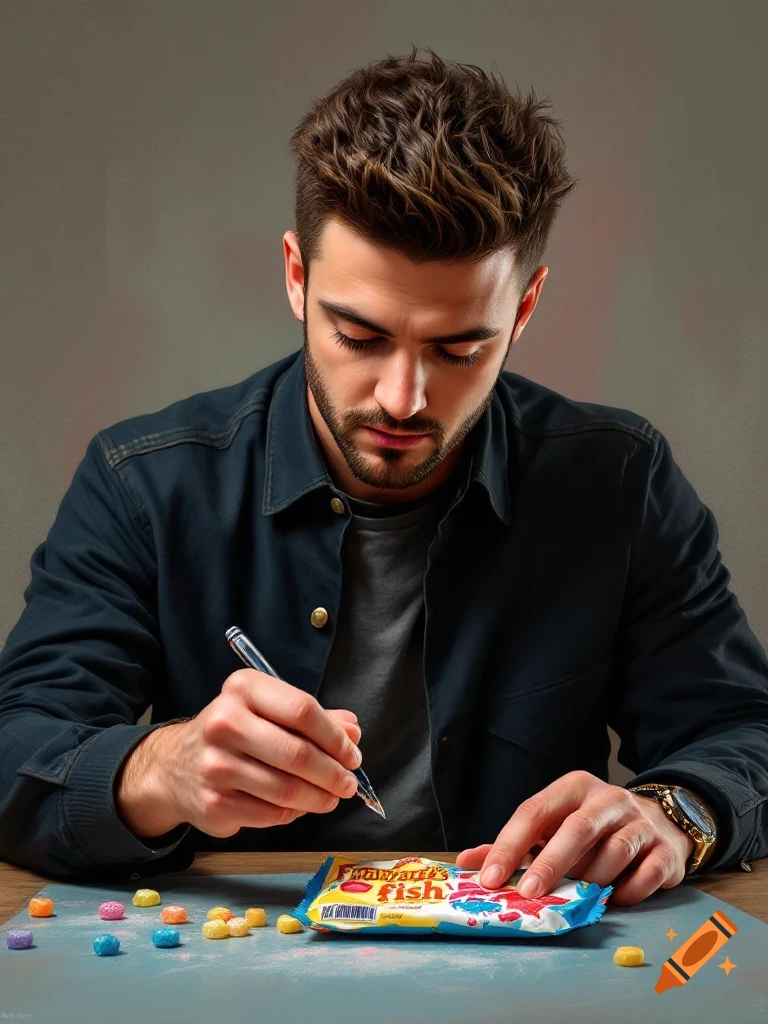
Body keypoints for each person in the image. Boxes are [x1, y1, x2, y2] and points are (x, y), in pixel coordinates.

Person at [1, 47, 766, 905]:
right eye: (360, 338)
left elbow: (743, 732)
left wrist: (677, 812)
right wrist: (159, 770)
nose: (403, 399)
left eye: (459, 348)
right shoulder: (144, 485)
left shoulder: (618, 481)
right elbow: (15, 749)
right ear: (297, 277)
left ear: (525, 307)